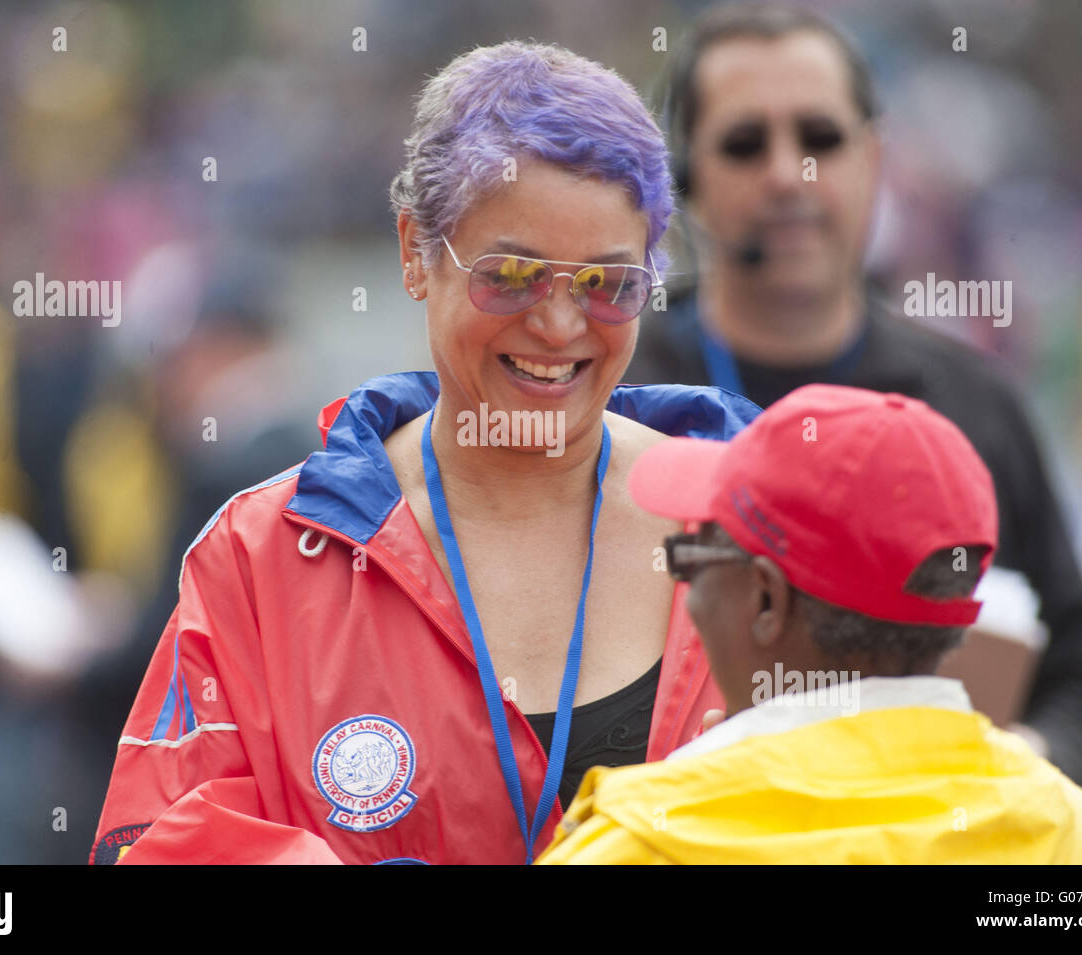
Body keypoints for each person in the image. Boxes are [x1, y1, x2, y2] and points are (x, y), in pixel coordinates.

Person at [90, 40, 759, 865]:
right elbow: (154, 842)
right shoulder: (262, 559)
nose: (558, 325)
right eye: (510, 274)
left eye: (607, 284)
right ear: (414, 252)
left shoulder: (759, 531)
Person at [625, 2, 1082, 802]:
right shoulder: (622, 398)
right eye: (746, 144)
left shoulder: (974, 405)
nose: (789, 174)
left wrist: (1009, 772)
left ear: (876, 159)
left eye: (819, 138)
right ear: (684, 183)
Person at [536, 384, 1082, 864]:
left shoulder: (637, 845)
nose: (685, 593)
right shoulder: (1071, 835)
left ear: (766, 602)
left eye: (695, 552)